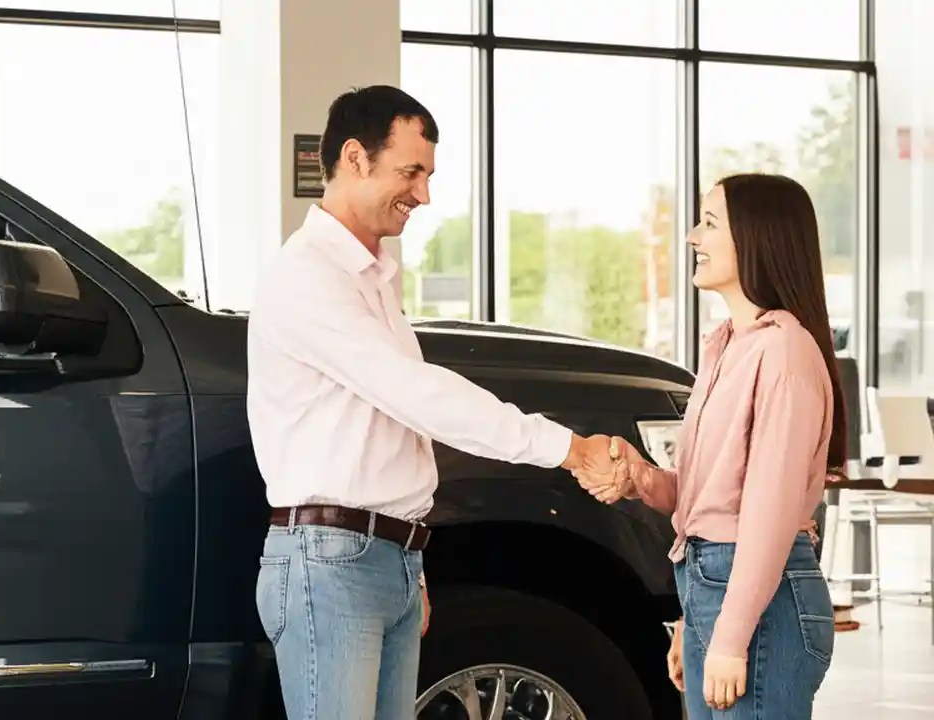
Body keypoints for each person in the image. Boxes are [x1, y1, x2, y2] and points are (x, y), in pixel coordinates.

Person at [246, 84, 621, 720]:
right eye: (410, 171)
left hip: (385, 557)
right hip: (331, 566)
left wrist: (408, 561)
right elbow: (420, 396)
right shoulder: (308, 275)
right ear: (356, 158)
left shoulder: (374, 278)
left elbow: (390, 429)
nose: (423, 193)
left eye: (427, 175)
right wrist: (570, 448)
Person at [578, 173, 843, 718]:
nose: (693, 237)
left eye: (709, 223)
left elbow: (768, 514)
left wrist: (728, 637)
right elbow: (711, 499)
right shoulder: (727, 346)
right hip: (717, 590)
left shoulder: (785, 352)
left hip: (762, 602)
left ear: (758, 237)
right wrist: (643, 479)